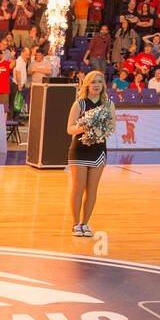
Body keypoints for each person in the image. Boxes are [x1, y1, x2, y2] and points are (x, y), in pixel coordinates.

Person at [66, 70, 115, 237]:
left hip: (98, 150)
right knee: (78, 188)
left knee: (92, 189)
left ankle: (85, 223)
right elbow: (70, 128)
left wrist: (100, 131)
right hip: (79, 150)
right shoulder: (79, 104)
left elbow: (112, 127)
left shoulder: (108, 104)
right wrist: (84, 129)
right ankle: (75, 224)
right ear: (87, 84)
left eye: (100, 82)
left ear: (103, 86)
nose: (96, 85)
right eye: (93, 82)